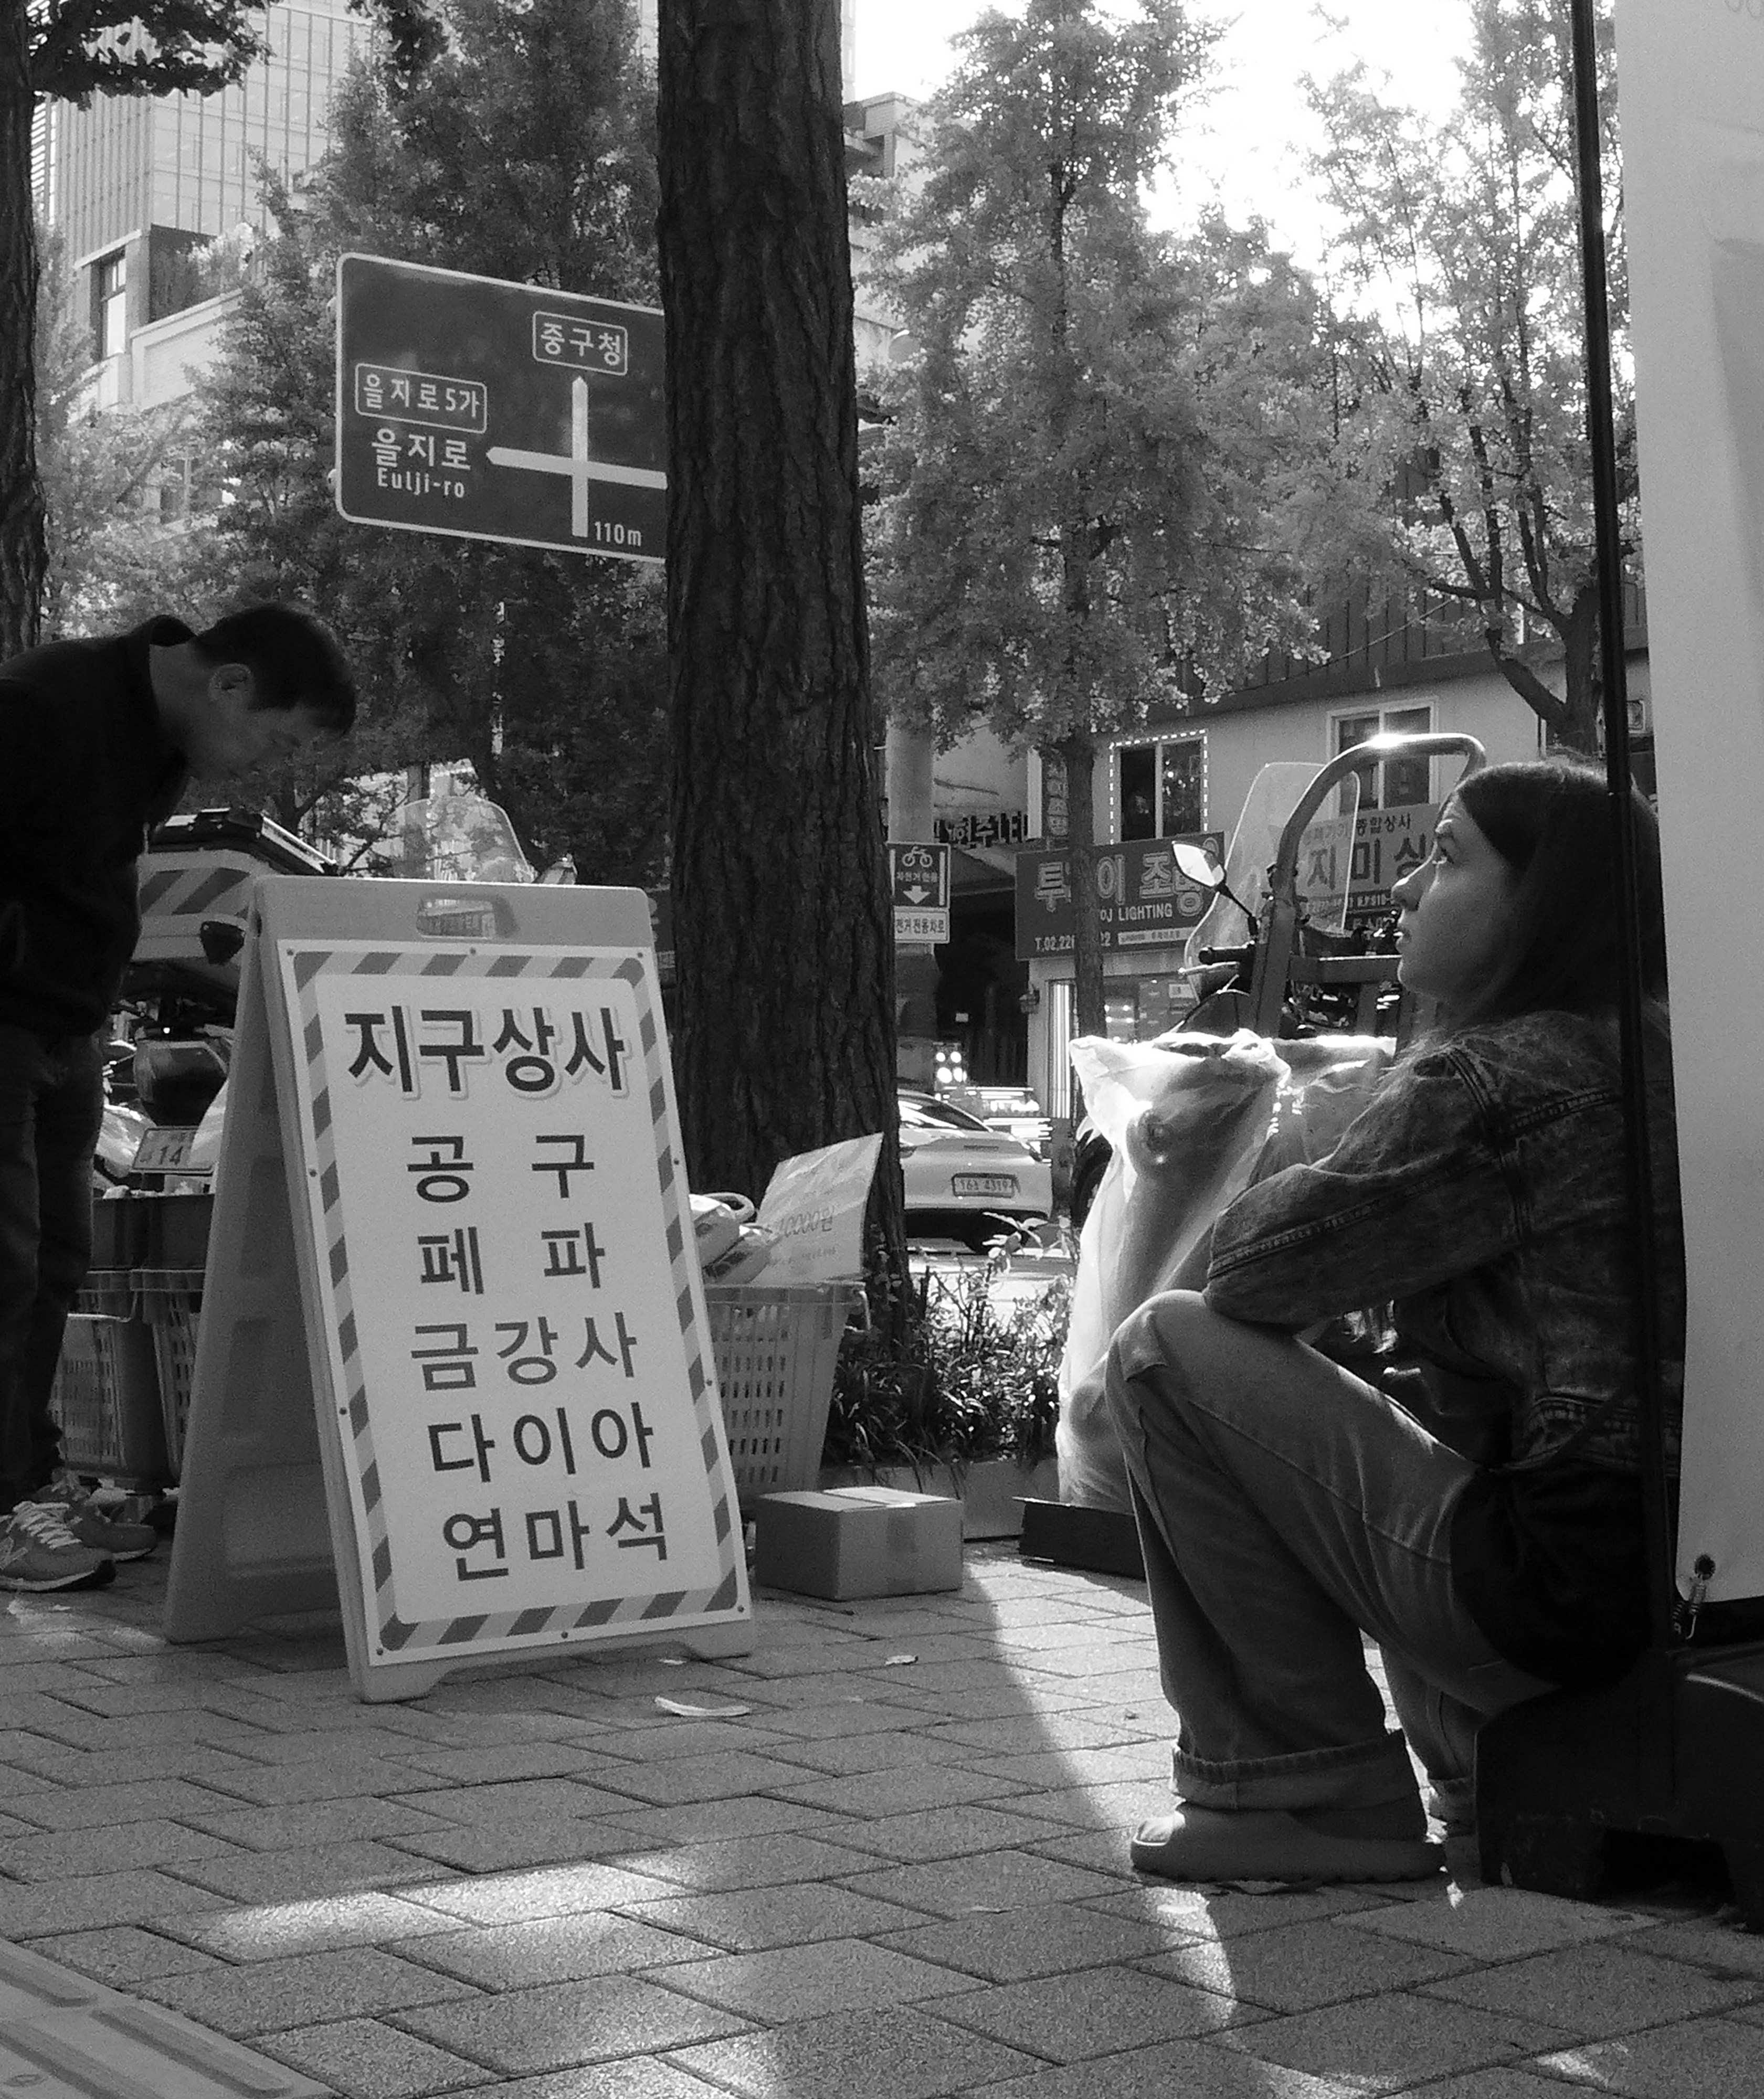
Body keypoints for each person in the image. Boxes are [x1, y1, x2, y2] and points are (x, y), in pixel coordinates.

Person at [1105, 756, 1682, 1883]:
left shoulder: (1502, 1077)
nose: (1408, 889)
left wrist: (1344, 1134)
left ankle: (1302, 1785)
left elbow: (1248, 1272)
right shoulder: (1679, 1052)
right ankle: (1483, 1789)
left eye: (1447, 855)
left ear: (1544, 902)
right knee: (1418, 1397)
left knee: (1164, 1352)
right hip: (1687, 1578)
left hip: (1559, 1591)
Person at [0, 605, 356, 1592]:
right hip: (9, 1021)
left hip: (69, 1029)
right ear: (231, 685)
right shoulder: (42, 706)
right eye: (274, 739)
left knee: (57, 1263)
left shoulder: (156, 739)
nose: (258, 765)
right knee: (5, 1265)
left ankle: (32, 1483)